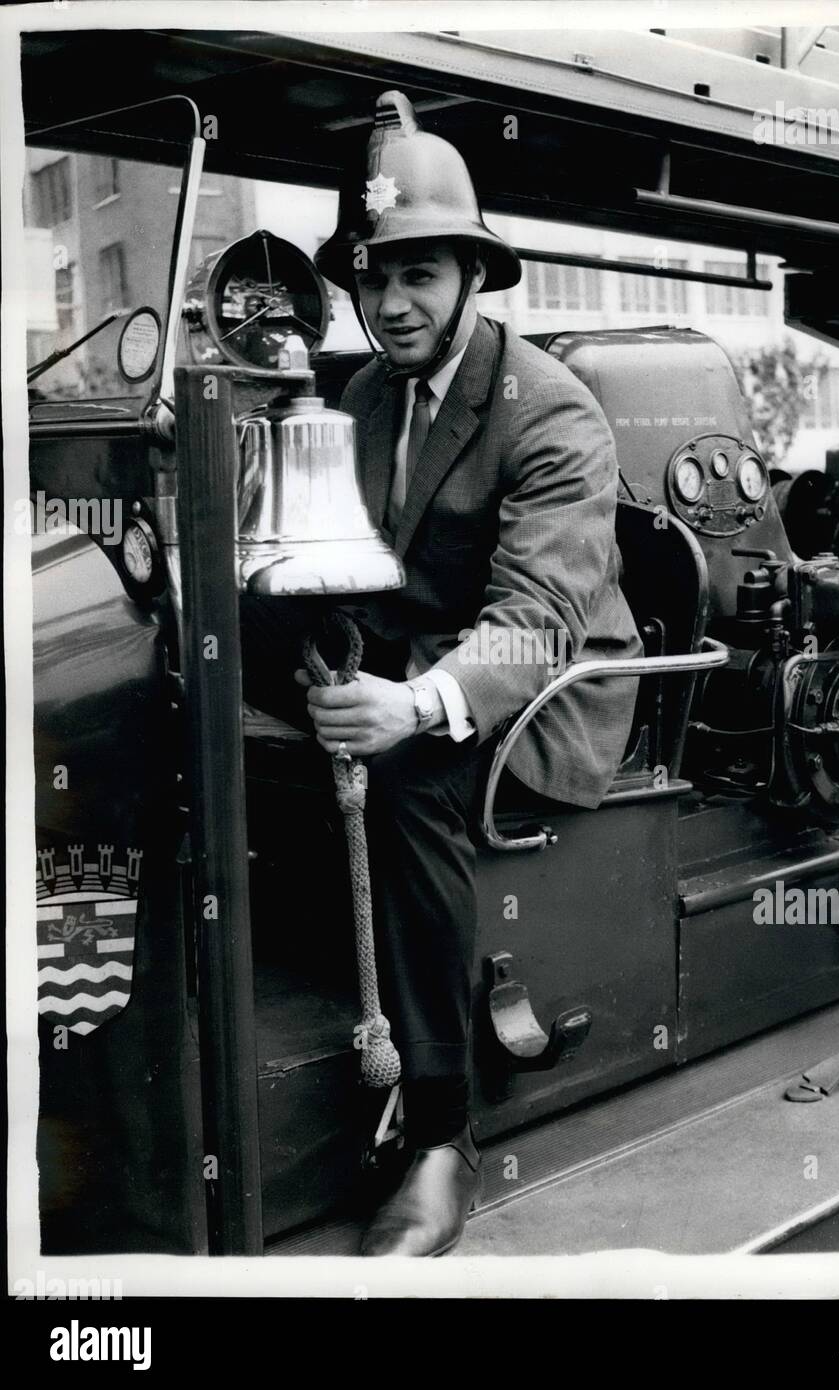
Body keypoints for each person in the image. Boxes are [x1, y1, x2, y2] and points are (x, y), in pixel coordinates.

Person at [257, 89, 642, 1256]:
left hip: (543, 691)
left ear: (475, 277)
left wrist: (413, 703)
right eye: (373, 275)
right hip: (412, 652)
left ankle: (439, 1135)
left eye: (419, 274)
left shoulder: (553, 413)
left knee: (413, 779)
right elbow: (325, 562)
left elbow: (536, 620)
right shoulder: (362, 393)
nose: (391, 302)